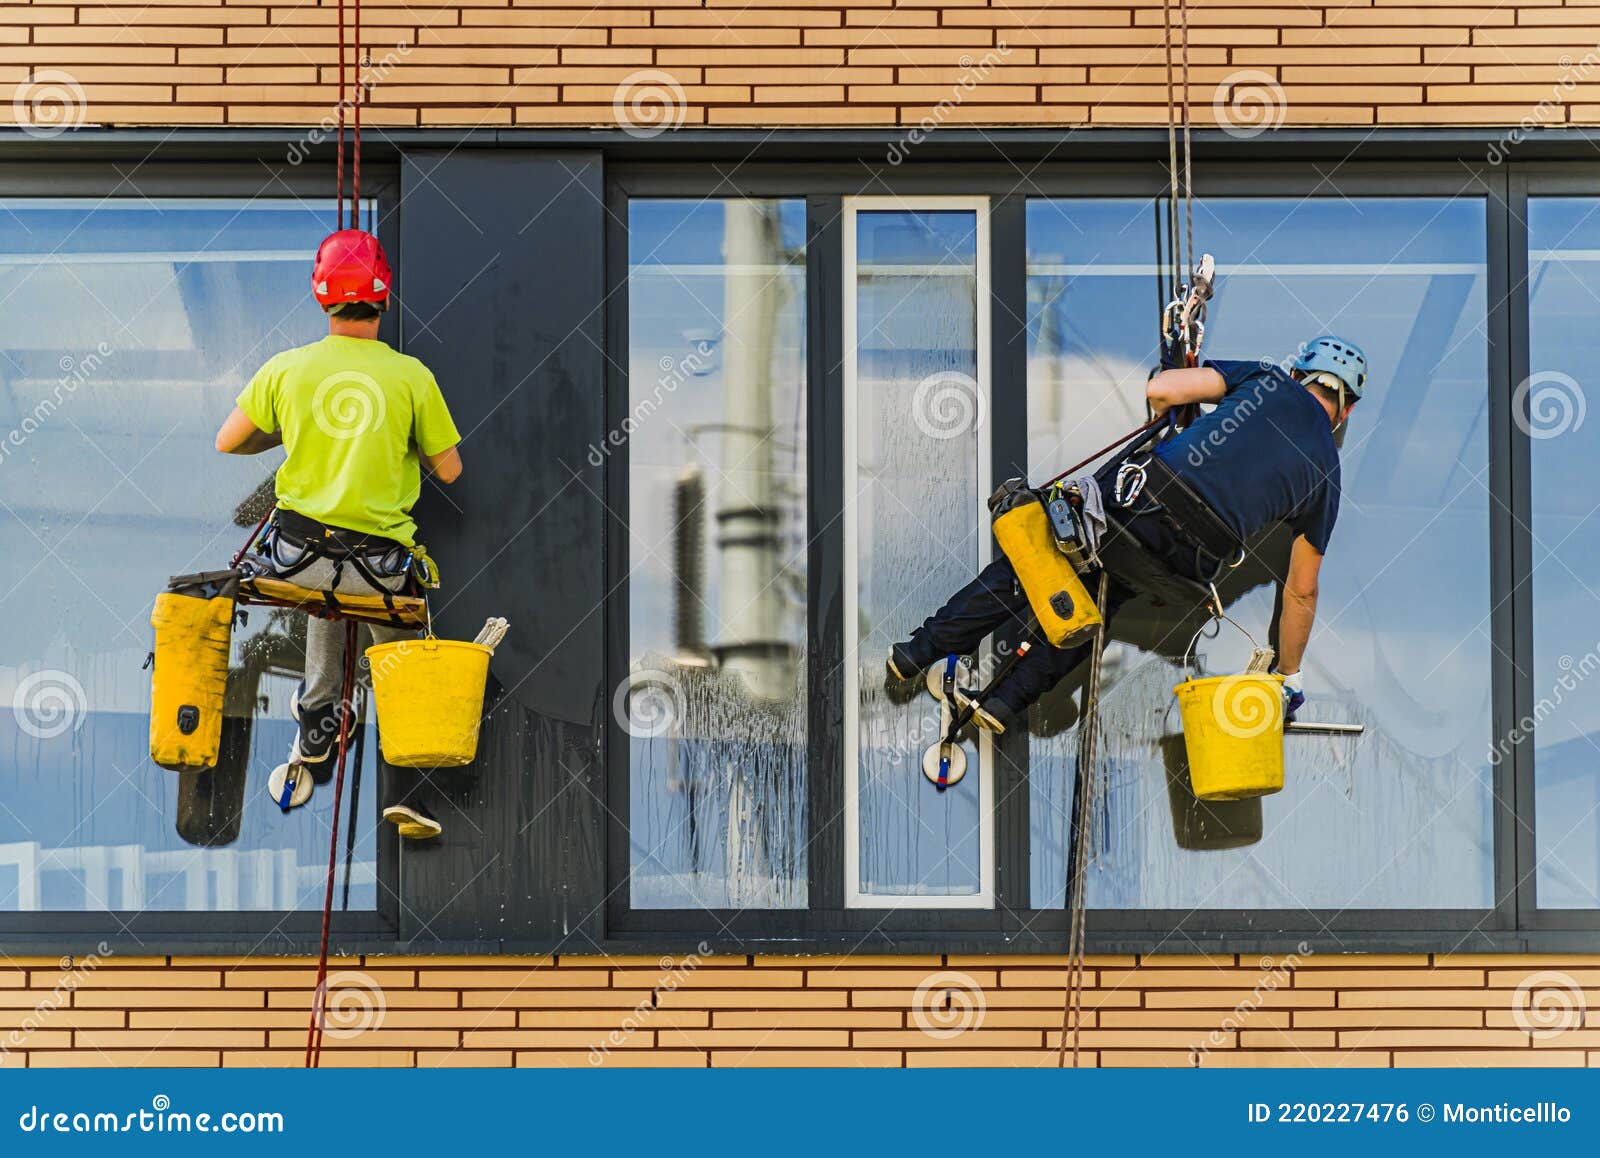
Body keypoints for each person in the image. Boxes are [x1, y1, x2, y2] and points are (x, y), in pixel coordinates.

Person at [887, 335, 1368, 732]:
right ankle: (1005, 701)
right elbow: (1301, 591)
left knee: (1034, 562)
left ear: (1299, 374)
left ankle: (919, 652)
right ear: (1344, 411)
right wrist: (1289, 675)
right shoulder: (1327, 473)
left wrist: (1197, 423)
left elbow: (1164, 390)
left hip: (1141, 505)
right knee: (1100, 603)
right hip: (1189, 565)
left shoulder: (1266, 378)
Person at [213, 229, 463, 840]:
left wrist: (295, 432)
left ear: (322, 297)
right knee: (404, 657)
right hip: (377, 566)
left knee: (324, 593)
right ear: (384, 295)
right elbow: (451, 470)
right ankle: (409, 792)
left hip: (298, 561)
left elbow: (228, 440)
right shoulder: (411, 376)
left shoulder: (288, 369)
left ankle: (318, 723)